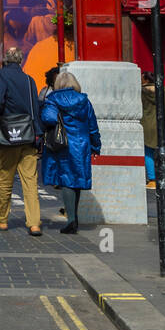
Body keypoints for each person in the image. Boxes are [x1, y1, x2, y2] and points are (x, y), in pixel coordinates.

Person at [0, 48, 44, 236]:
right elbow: (35, 108)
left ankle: (2, 219)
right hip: (28, 134)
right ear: (20, 60)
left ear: (5, 59)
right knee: (30, 180)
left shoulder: (1, 75)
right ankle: (34, 222)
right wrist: (38, 133)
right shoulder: (29, 80)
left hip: (9, 133)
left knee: (5, 177)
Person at [39, 70, 101, 233]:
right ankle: (75, 218)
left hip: (63, 144)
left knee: (66, 180)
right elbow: (93, 126)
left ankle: (71, 219)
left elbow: (48, 119)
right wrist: (96, 145)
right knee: (77, 179)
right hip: (82, 144)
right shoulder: (84, 101)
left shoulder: (53, 99)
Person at [140, 70, 165, 188]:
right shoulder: (162, 93)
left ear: (146, 80)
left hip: (146, 126)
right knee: (161, 152)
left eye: (142, 78)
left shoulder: (141, 92)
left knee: (148, 153)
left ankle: (152, 180)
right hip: (161, 125)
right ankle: (162, 177)